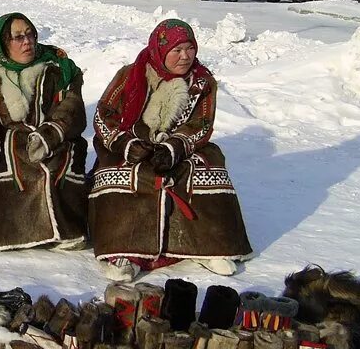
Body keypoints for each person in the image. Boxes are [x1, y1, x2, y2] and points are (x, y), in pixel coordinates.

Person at [89, 18, 252, 281]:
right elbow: (103, 115)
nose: (185, 56)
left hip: (178, 145)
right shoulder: (130, 75)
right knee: (125, 174)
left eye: (190, 48)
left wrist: (175, 147)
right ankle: (126, 253)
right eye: (177, 50)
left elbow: (202, 123)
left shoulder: (202, 82)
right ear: (161, 50)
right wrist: (125, 144)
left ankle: (208, 246)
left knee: (206, 170)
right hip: (132, 142)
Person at [0, 12, 88, 250]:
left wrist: (50, 133)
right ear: (3, 43)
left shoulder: (57, 69)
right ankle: (10, 233)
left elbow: (71, 105)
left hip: (52, 135)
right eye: (18, 37)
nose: (27, 42)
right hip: (6, 137)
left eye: (31, 35)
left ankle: (64, 231)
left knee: (55, 165)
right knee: (1, 165)